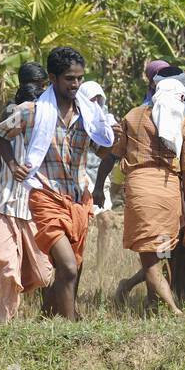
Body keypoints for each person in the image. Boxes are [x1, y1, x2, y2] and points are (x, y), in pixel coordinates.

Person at [0, 46, 114, 319]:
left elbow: (102, 151)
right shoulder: (33, 111)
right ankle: (71, 329)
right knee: (69, 268)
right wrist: (13, 166)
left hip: (77, 200)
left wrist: (115, 140)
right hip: (45, 196)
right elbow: (1, 134)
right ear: (53, 78)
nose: (76, 84)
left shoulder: (88, 114)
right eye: (70, 78)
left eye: (80, 78)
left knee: (71, 268)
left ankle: (46, 318)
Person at [98, 72, 185, 314]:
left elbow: (113, 155)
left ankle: (152, 303)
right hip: (169, 193)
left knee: (156, 254)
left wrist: (99, 186)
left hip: (140, 191)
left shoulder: (134, 116)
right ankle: (172, 310)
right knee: (158, 253)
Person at [0, 78, 54, 322]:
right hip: (6, 209)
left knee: (43, 273)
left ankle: (42, 310)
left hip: (37, 213)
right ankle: (3, 319)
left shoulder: (48, 137)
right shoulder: (3, 136)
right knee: (2, 261)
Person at [80, 80, 117, 270]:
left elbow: (107, 153)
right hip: (80, 177)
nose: (94, 103)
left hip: (100, 176)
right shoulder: (77, 120)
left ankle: (100, 267)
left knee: (107, 220)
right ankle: (78, 261)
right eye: (91, 99)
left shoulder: (106, 119)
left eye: (97, 99)